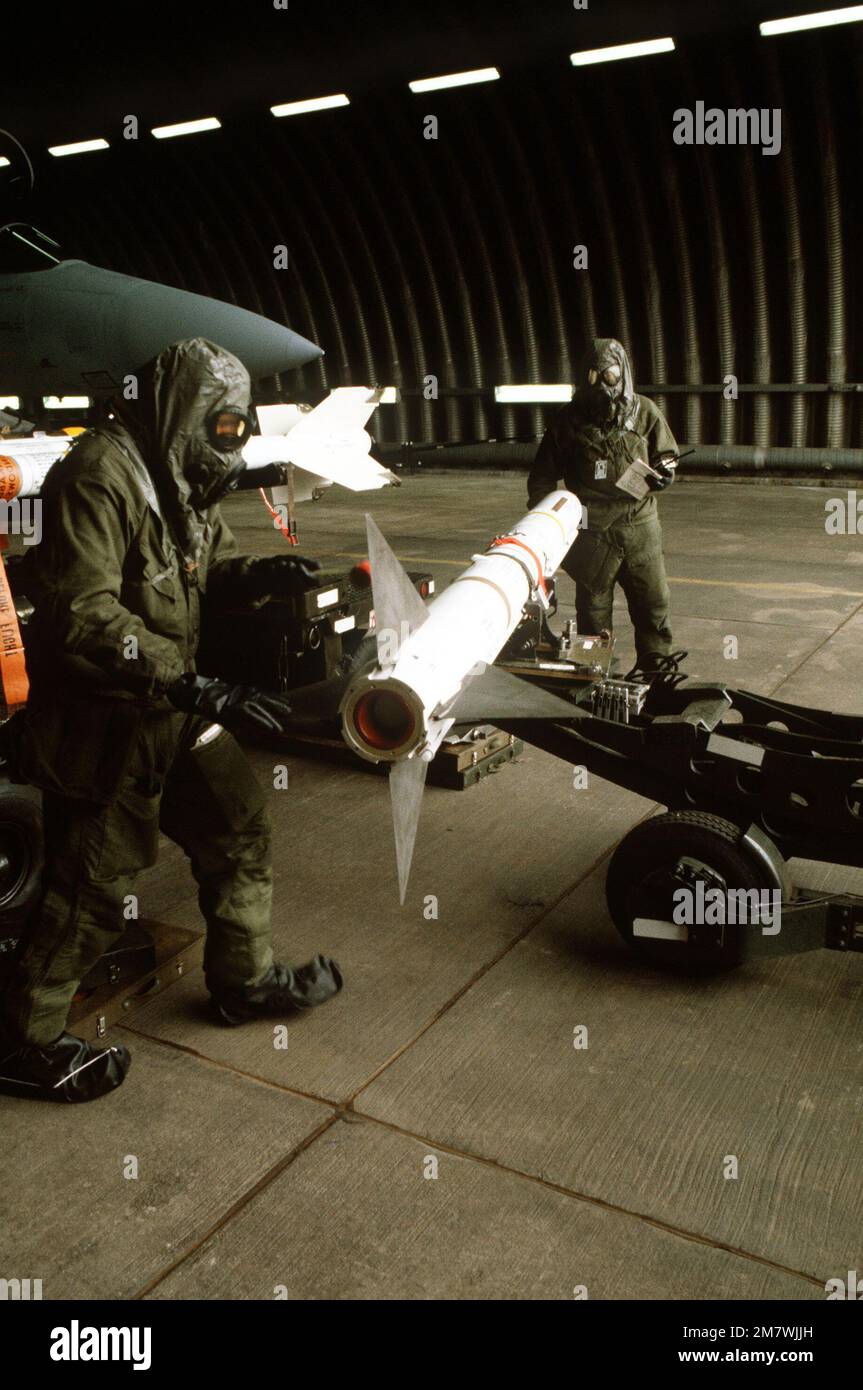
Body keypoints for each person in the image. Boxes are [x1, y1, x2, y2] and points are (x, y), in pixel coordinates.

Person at [0, 337, 342, 1103]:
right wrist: (191, 681)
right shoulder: (100, 475)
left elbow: (206, 563)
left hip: (175, 709)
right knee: (87, 888)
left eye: (232, 431)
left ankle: (242, 983)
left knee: (238, 829)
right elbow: (82, 611)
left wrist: (254, 574)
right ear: (180, 411)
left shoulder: (179, 476)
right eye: (216, 429)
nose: (222, 448)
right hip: (107, 722)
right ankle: (22, 1042)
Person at [528, 337, 681, 675]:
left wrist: (665, 474)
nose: (600, 384)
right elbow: (541, 479)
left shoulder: (645, 412)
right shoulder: (567, 421)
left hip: (640, 527)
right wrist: (549, 527)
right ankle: (596, 686)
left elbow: (667, 457)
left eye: (609, 376)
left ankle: (658, 678)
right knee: (593, 620)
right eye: (592, 376)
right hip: (591, 533)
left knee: (653, 609)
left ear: (623, 373)